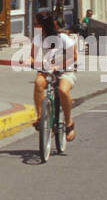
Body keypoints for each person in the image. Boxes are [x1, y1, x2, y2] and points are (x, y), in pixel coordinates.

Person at [32, 7, 77, 141]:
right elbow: (32, 56)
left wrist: (59, 66)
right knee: (38, 83)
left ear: (44, 25)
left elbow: (73, 56)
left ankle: (69, 123)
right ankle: (40, 117)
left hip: (66, 71)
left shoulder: (63, 38)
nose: (35, 27)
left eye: (36, 24)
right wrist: (28, 61)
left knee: (63, 91)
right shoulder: (39, 38)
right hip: (48, 71)